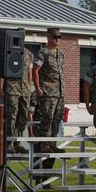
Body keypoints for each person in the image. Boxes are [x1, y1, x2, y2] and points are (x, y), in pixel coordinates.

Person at [33, 28, 67, 167]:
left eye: (59, 37)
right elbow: (35, 71)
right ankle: (44, 145)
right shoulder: (43, 52)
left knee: (56, 120)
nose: (57, 39)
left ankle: (52, 144)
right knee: (46, 118)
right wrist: (37, 88)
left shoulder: (61, 53)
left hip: (60, 92)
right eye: (55, 37)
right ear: (48, 37)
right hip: (47, 92)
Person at [4, 45, 34, 151]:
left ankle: (17, 142)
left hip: (25, 90)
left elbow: (30, 73)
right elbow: (2, 73)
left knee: (23, 116)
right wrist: (1, 88)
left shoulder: (29, 54)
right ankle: (9, 143)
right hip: (12, 89)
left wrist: (29, 88)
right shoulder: (8, 52)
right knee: (12, 115)